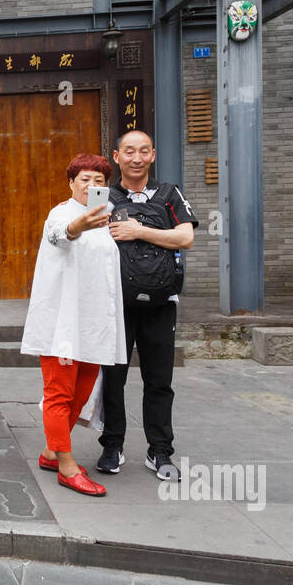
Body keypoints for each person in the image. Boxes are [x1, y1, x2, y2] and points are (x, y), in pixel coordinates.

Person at [20, 154, 126, 498]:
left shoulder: (108, 220)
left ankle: (52, 453)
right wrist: (79, 226)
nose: (92, 185)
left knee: (81, 395)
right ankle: (67, 467)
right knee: (59, 395)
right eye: (85, 179)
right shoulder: (62, 214)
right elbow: (58, 236)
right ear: (71, 183)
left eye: (99, 180)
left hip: (93, 324)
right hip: (61, 324)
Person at [97, 130, 199, 480]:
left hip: (160, 304)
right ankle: (112, 446)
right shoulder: (105, 196)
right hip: (116, 306)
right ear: (116, 156)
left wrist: (139, 231)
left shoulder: (169, 194)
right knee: (113, 378)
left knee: (159, 380)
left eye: (143, 151)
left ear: (152, 155)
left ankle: (160, 452)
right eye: (129, 151)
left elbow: (186, 237)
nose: (136, 158)